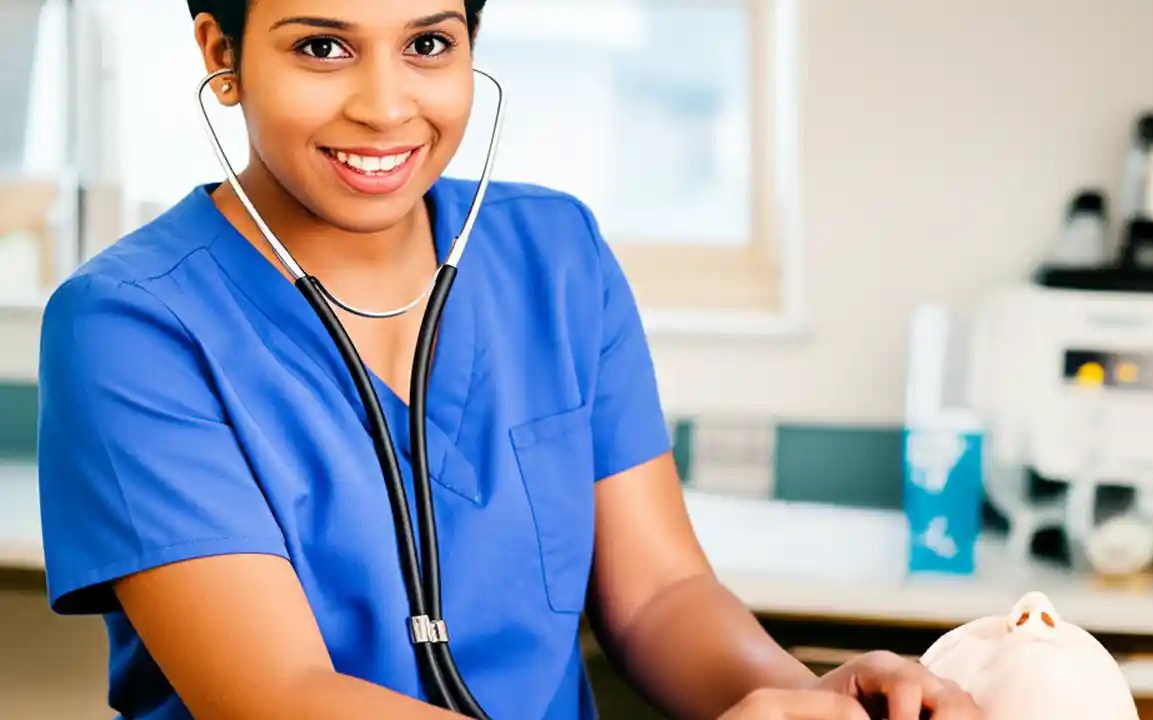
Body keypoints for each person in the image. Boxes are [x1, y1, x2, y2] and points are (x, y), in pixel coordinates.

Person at [35, 1, 983, 719]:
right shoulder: (128, 323)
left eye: (428, 43)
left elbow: (662, 594)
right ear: (222, 55)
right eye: (322, 48)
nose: (385, 106)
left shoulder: (554, 253)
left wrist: (799, 698)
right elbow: (276, 695)